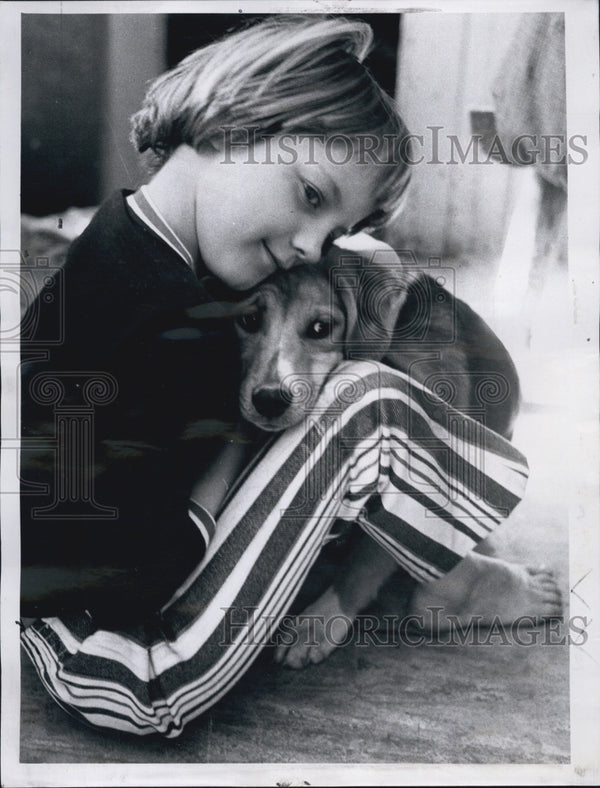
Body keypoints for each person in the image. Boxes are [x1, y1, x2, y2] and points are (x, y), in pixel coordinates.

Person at [20, 15, 559, 737]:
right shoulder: (182, 323)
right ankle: (455, 574)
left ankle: (428, 554)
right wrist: (238, 436)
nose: (311, 245)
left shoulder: (113, 242)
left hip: (44, 617)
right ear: (227, 129)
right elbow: (155, 566)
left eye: (335, 233)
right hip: (133, 667)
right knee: (363, 400)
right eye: (310, 194)